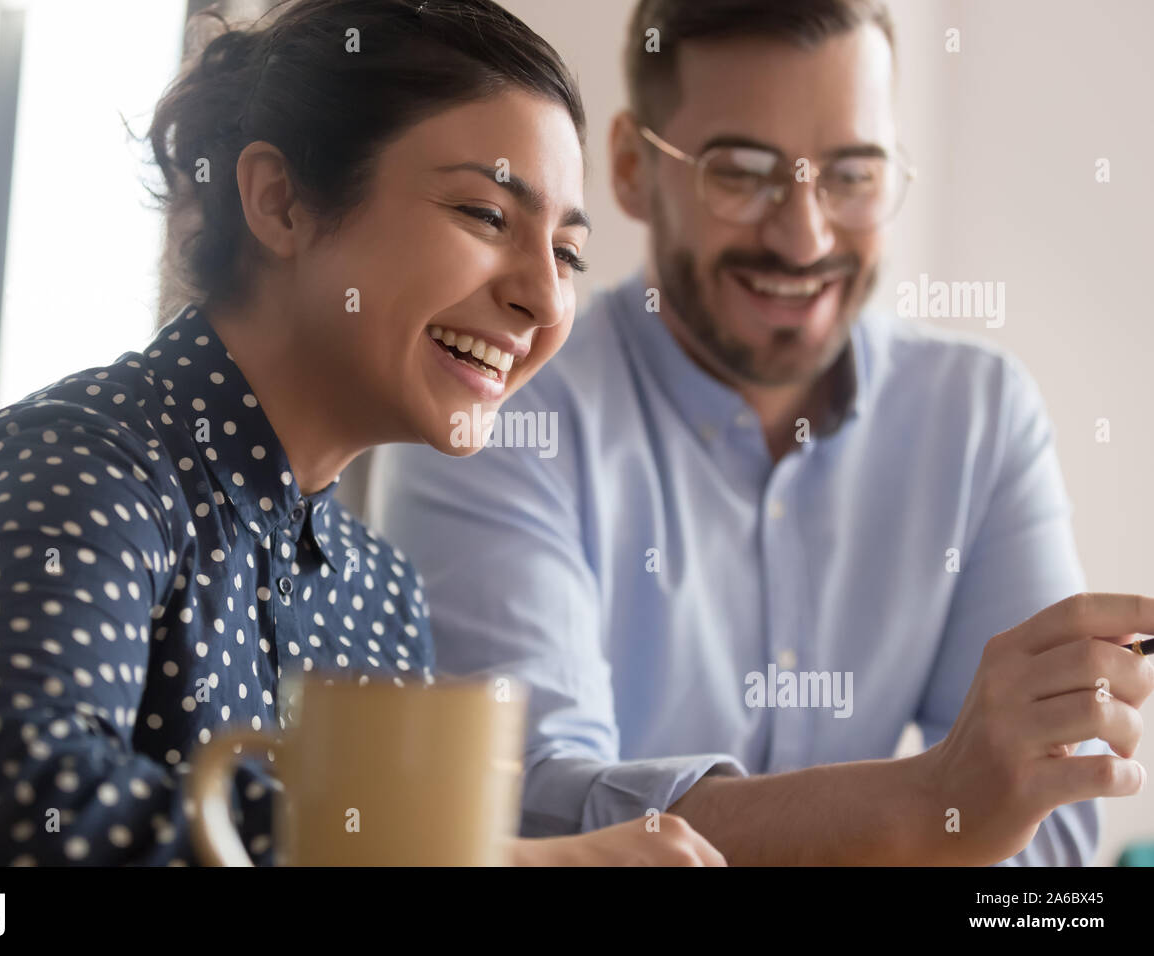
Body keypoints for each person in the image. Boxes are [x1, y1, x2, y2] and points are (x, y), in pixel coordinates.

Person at [0, 0, 724, 867]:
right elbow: (8, 825)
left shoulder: (381, 596)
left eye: (568, 253)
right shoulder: (79, 465)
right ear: (280, 202)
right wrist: (503, 861)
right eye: (488, 215)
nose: (544, 296)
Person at [368, 0, 1154, 865]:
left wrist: (965, 803)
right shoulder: (496, 404)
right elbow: (534, 813)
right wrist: (934, 803)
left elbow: (1050, 846)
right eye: (742, 172)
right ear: (632, 168)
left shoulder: (980, 416)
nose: (803, 236)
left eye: (852, 175)